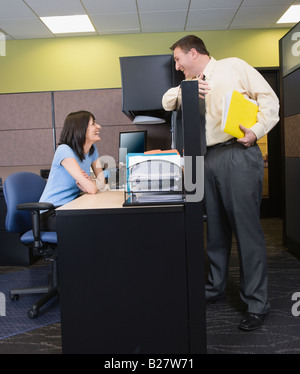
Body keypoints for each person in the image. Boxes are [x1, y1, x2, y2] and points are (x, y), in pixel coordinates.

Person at [162, 35, 279, 331]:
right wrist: (187, 89)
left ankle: (256, 303)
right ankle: (214, 288)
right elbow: (166, 101)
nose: (177, 66)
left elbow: (270, 100)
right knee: (214, 230)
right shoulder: (188, 83)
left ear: (192, 52)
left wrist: (255, 130)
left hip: (238, 153)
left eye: (178, 59)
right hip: (206, 158)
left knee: (246, 230)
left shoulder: (233, 67)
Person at [39, 110, 106, 231]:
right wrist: (91, 184)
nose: (99, 126)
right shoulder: (64, 150)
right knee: (96, 225)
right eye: (93, 124)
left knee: (102, 221)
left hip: (70, 208)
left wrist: (91, 183)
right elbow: (91, 189)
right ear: (80, 129)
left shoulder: (92, 149)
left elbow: (102, 182)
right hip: (51, 213)